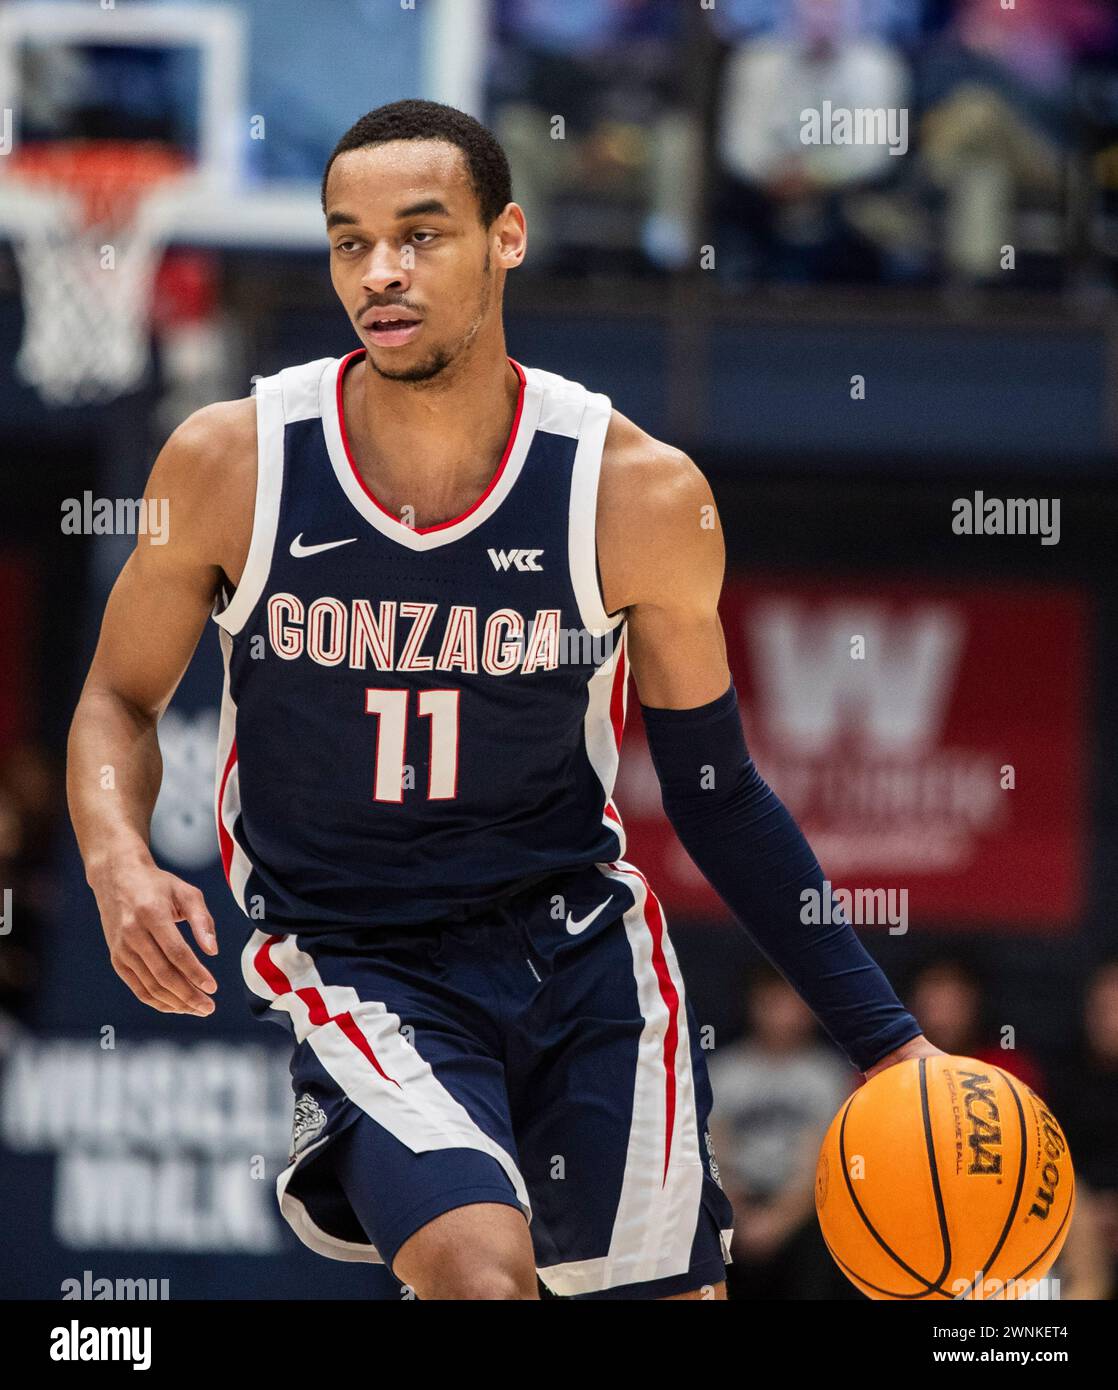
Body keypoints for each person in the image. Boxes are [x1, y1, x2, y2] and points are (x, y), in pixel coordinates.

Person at [66, 99, 937, 1301]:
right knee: (481, 1278)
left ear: (506, 238)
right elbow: (117, 696)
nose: (380, 271)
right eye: (349, 240)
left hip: (577, 950)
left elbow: (714, 792)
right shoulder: (233, 461)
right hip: (355, 957)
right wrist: (115, 856)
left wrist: (889, 1044)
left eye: (420, 235)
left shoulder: (632, 492)